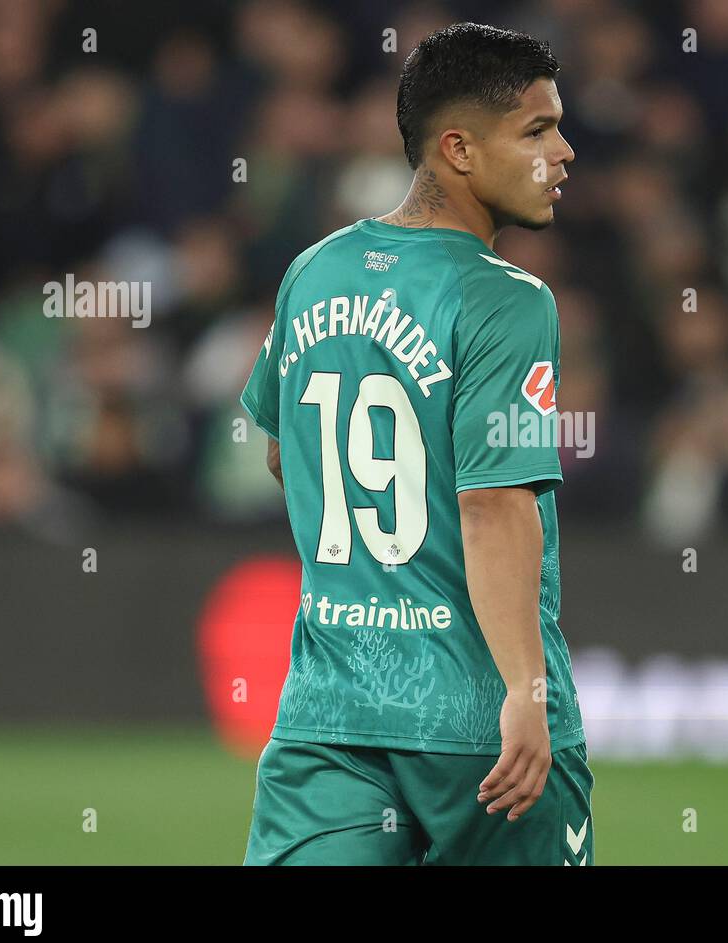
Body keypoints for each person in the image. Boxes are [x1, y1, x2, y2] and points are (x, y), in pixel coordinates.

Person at [240, 22, 591, 865]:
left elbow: (284, 449)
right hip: (476, 725)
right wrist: (523, 689)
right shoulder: (508, 300)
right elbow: (495, 504)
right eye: (538, 130)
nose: (566, 151)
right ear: (460, 149)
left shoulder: (313, 270)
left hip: (329, 717)